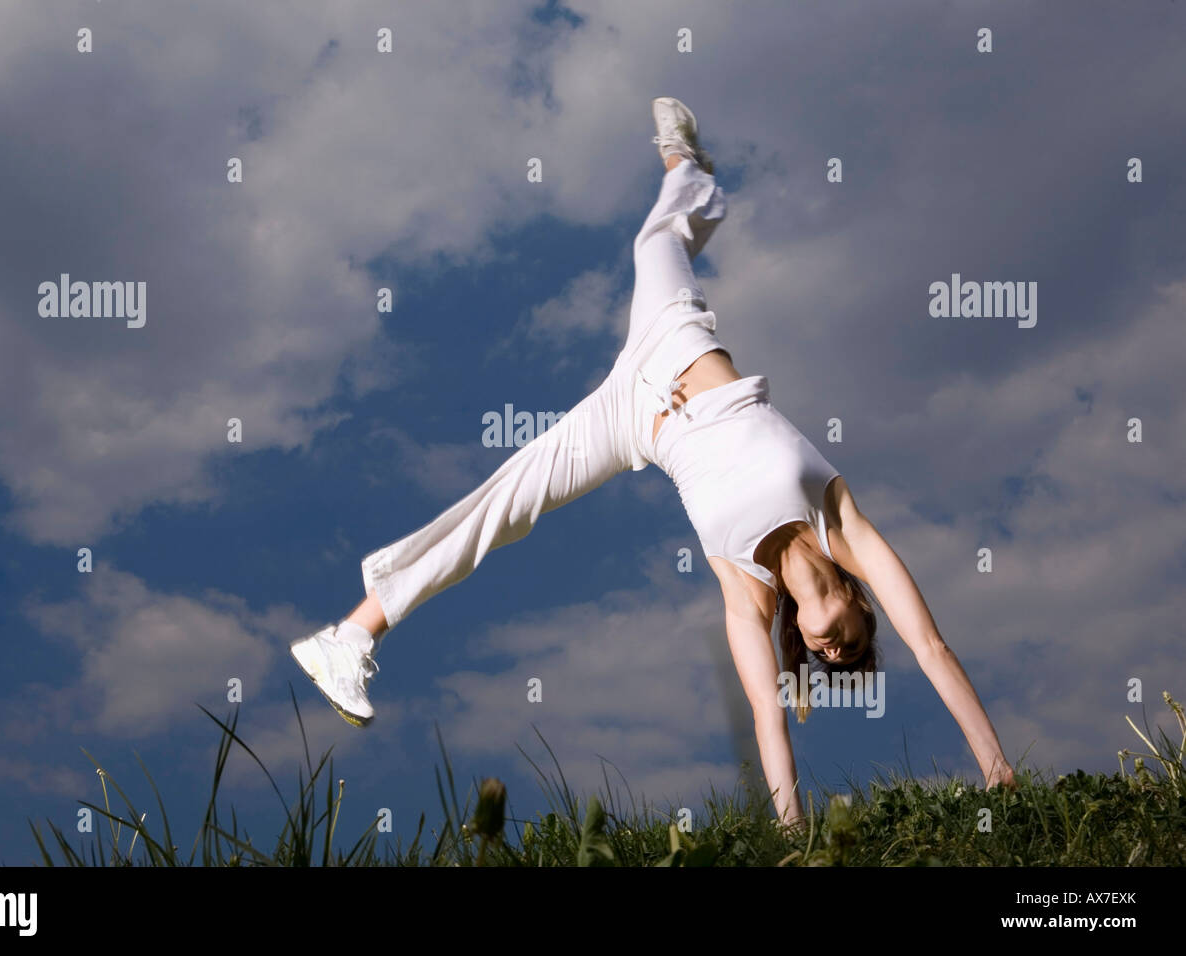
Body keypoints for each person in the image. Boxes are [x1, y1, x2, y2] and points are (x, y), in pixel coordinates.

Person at [291, 97, 1016, 827]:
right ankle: (686, 165)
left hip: (633, 422)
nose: (831, 647)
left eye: (827, 657)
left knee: (510, 500)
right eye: (851, 642)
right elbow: (930, 645)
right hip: (674, 340)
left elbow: (767, 714)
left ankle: (349, 637)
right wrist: (997, 767)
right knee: (655, 240)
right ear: (861, 605)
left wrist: (793, 834)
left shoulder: (749, 599)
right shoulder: (844, 526)